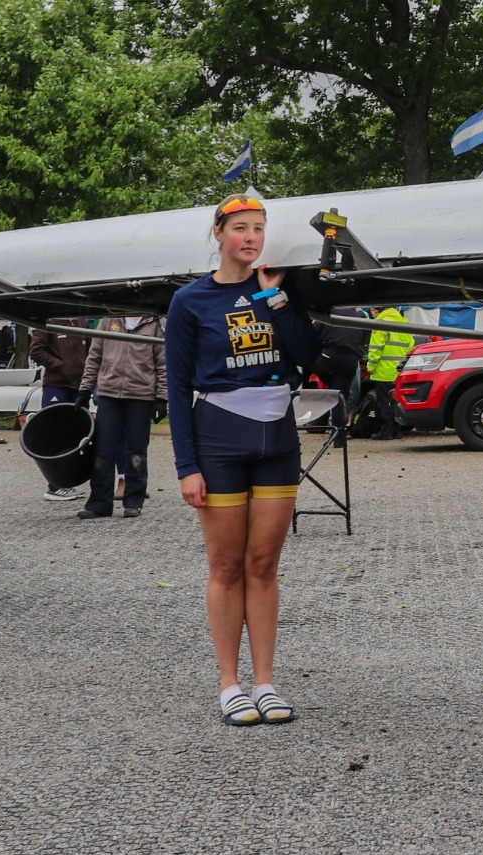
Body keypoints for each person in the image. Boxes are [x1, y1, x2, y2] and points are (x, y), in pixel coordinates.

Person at [165, 193, 319, 727]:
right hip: (218, 442)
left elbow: (311, 357)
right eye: (240, 229)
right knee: (227, 566)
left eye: (258, 228)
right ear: (219, 233)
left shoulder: (277, 292)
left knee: (263, 564)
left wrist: (275, 301)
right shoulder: (190, 301)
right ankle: (230, 685)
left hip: (277, 438)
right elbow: (177, 386)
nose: (250, 238)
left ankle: (266, 682)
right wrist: (187, 466)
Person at [76, 316, 167, 517]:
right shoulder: (108, 320)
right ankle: (99, 503)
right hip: (109, 393)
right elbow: (95, 356)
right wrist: (85, 388)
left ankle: (133, 501)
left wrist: (162, 397)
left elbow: (163, 361)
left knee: (136, 451)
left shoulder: (157, 323)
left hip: (141, 395)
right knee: (102, 450)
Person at [29, 323, 92, 501]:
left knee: (73, 433)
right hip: (56, 385)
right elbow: (35, 350)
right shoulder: (50, 320)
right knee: (54, 433)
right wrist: (59, 365)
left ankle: (66, 482)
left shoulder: (81, 318)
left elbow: (90, 348)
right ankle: (54, 486)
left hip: (78, 384)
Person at [364, 308, 414, 440]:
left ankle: (385, 431)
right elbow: (411, 346)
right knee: (396, 402)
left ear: (376, 310)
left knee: (384, 402)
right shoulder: (404, 324)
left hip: (383, 371)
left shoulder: (379, 324)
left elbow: (375, 349)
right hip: (399, 371)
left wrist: (371, 366)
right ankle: (397, 431)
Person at [310, 319, 366, 433]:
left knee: (310, 363)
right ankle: (338, 436)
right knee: (340, 396)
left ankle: (331, 385)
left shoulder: (328, 314)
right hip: (351, 360)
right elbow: (364, 338)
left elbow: (311, 333)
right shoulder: (358, 317)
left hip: (329, 355)